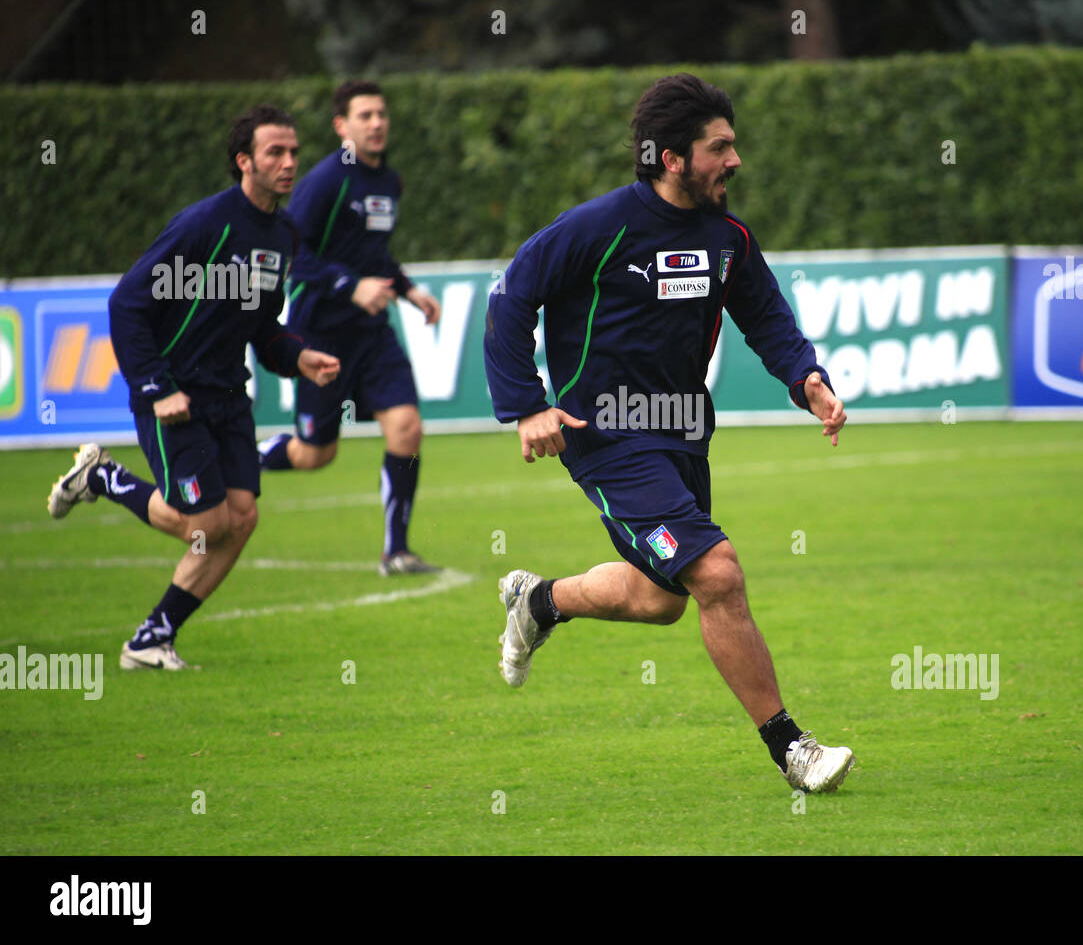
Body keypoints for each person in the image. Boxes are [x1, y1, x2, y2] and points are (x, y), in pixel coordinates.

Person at [484, 73, 854, 793]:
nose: (736, 160)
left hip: (683, 437)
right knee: (717, 572)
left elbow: (767, 318)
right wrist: (526, 405)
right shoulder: (595, 228)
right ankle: (792, 747)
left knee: (664, 599)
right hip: (607, 436)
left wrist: (807, 379)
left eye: (734, 144)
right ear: (672, 157)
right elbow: (510, 296)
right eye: (720, 147)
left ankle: (540, 601)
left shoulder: (728, 238)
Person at [46, 104, 347, 671]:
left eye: (293, 153)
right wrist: (158, 386)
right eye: (274, 153)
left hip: (228, 394)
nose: (288, 163)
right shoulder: (204, 224)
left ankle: (151, 639)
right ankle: (103, 476)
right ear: (244, 162)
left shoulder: (283, 234)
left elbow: (262, 326)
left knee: (242, 518)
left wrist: (299, 356)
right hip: (174, 395)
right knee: (206, 526)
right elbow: (127, 305)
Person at [256, 80, 442, 577]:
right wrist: (350, 286)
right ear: (342, 126)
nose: (377, 123)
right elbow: (290, 250)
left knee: (406, 428)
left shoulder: (390, 182)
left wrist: (407, 290)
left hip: (373, 333)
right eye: (365, 116)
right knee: (316, 455)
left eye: (381, 113)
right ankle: (243, 456)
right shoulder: (325, 180)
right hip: (321, 334)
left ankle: (396, 551)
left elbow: (372, 256)